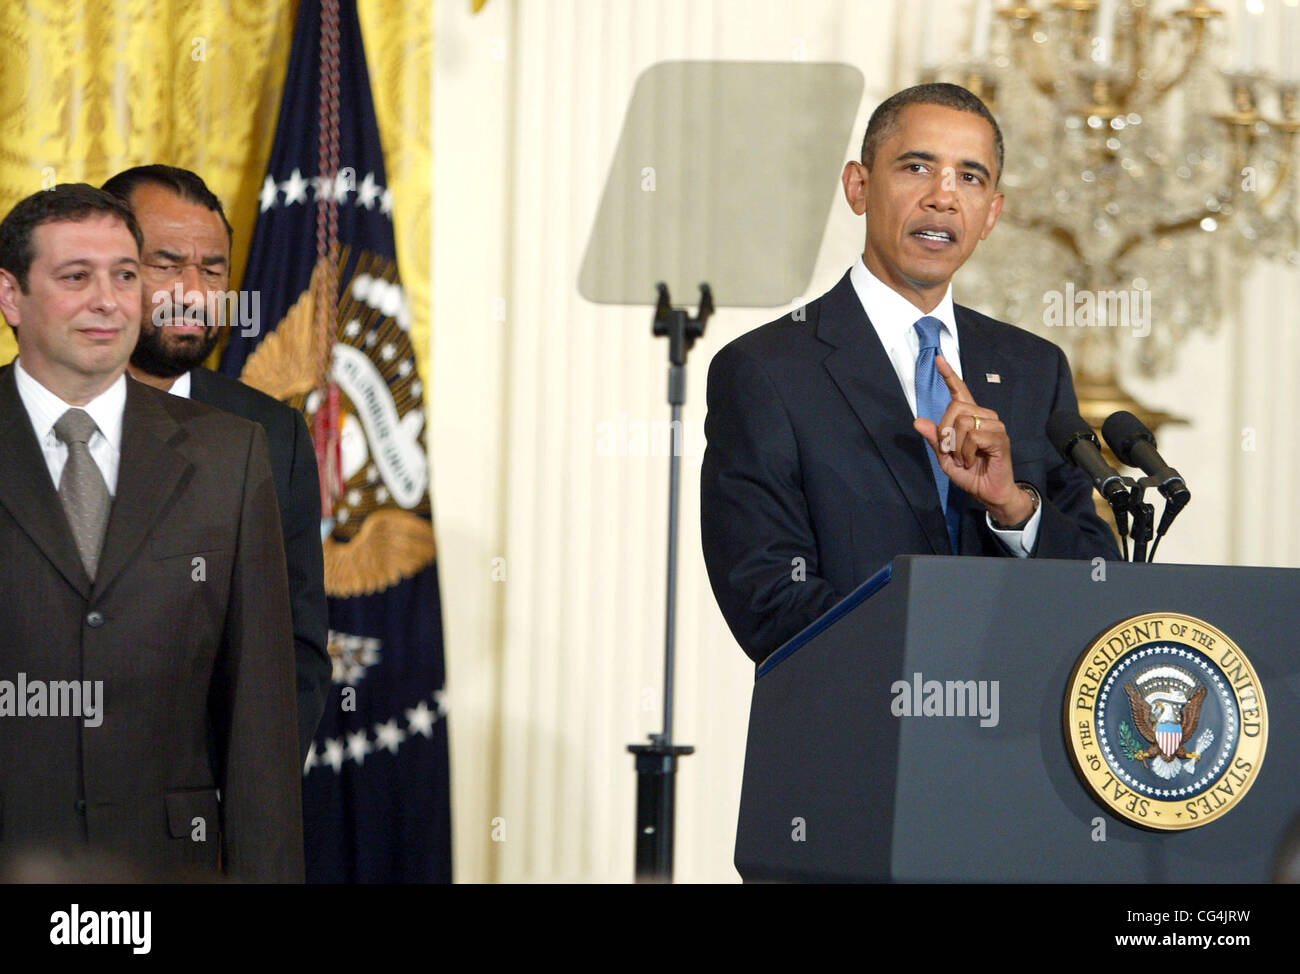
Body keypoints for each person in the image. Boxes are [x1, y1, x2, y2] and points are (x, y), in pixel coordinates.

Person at [701, 84, 1119, 664]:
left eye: (970, 177)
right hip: (854, 731)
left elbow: (1100, 581)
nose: (943, 198)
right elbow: (766, 596)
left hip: (1013, 738)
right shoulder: (766, 371)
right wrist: (938, 666)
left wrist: (1013, 508)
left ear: (991, 213)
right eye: (917, 166)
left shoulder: (1034, 368)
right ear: (859, 186)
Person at [0, 183, 303, 880]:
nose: (108, 300)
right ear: (12, 297)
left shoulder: (233, 454)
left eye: (126, 276)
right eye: (77, 277)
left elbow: (260, 720)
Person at [102, 165, 330, 765]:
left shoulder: (270, 433)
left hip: (190, 822)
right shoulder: (23, 414)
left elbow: (293, 651)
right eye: (167, 263)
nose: (193, 292)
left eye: (212, 269)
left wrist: (246, 804)